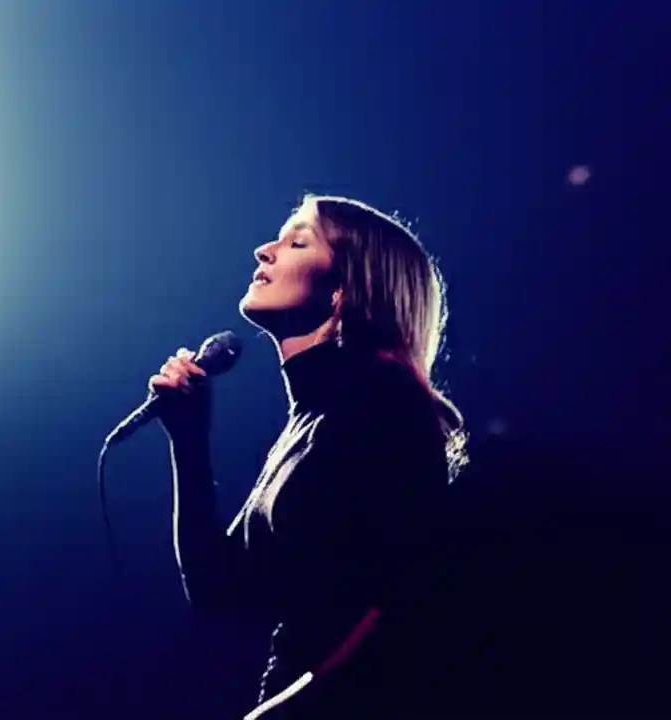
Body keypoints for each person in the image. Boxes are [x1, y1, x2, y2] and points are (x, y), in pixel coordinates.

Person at [148, 194, 467, 719]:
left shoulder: (385, 405)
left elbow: (402, 597)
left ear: (343, 290)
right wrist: (188, 436)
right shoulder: (312, 421)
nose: (264, 251)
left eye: (298, 241)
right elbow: (219, 587)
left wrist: (290, 707)